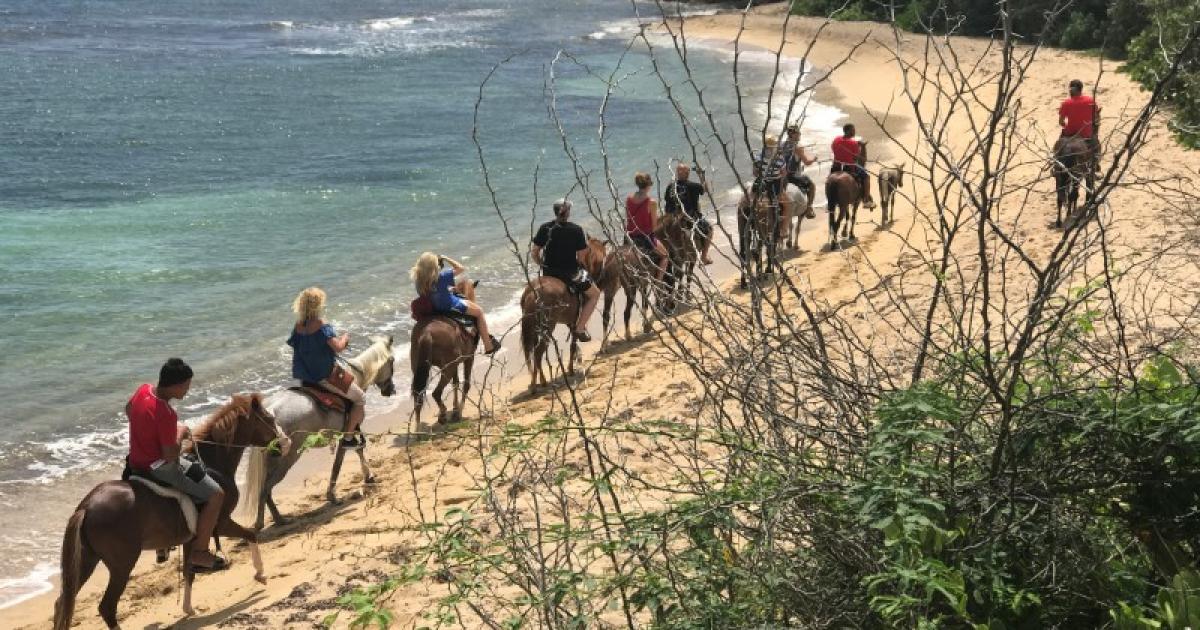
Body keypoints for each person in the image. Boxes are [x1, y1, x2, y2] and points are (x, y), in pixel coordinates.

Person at [126, 358, 226, 571]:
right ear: (175, 385)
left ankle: (165, 543)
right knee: (216, 495)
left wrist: (147, 432)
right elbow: (170, 455)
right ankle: (199, 552)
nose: (187, 391)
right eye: (186, 386)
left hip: (135, 461)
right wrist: (180, 433)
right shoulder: (166, 413)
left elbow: (129, 410)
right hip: (161, 468)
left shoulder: (143, 390)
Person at [288, 287, 366, 450]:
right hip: (324, 377)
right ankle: (349, 438)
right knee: (360, 398)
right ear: (318, 305)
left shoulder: (298, 326)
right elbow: (337, 348)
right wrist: (345, 338)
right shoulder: (321, 324)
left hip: (305, 378)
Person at [531, 199, 601, 342]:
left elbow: (535, 252)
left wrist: (541, 264)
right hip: (570, 273)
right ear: (568, 212)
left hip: (549, 273)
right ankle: (580, 328)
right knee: (595, 294)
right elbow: (581, 257)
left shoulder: (545, 228)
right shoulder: (576, 229)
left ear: (555, 212)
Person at [410, 252, 500, 354]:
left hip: (435, 307)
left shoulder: (419, 281)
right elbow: (461, 268)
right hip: (450, 306)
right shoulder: (442, 276)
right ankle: (488, 346)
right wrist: (446, 258)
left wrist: (446, 290)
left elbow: (431, 293)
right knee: (479, 312)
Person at [662, 162, 714, 265]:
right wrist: (701, 175)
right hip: (689, 218)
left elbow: (667, 203)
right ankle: (704, 256)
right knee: (710, 229)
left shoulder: (670, 187)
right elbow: (706, 190)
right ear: (688, 173)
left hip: (672, 218)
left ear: (677, 173)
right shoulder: (693, 186)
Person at [626, 172, 669, 282]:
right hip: (645, 237)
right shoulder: (651, 202)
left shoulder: (629, 198)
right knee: (665, 256)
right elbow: (654, 227)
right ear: (649, 185)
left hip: (630, 236)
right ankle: (658, 283)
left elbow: (629, 218)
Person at [830, 123, 875, 210]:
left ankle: (830, 200)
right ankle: (866, 200)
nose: (854, 132)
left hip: (836, 167)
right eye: (853, 130)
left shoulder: (836, 139)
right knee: (866, 177)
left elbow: (833, 149)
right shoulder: (853, 143)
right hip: (850, 168)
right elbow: (860, 159)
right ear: (848, 131)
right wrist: (863, 147)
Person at [1059, 79, 1101, 158]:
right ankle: (1096, 161)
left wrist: (1065, 125)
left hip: (1069, 133)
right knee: (1096, 147)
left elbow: (1061, 122)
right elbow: (1096, 119)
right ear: (1080, 89)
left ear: (1071, 89)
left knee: (1059, 146)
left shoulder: (1066, 103)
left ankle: (1055, 160)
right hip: (1086, 134)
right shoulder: (1091, 101)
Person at [782, 125, 818, 218]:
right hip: (793, 176)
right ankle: (809, 208)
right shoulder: (798, 147)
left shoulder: (781, 145)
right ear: (793, 135)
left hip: (782, 176)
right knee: (812, 185)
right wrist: (814, 159)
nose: (800, 135)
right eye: (798, 133)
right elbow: (807, 162)